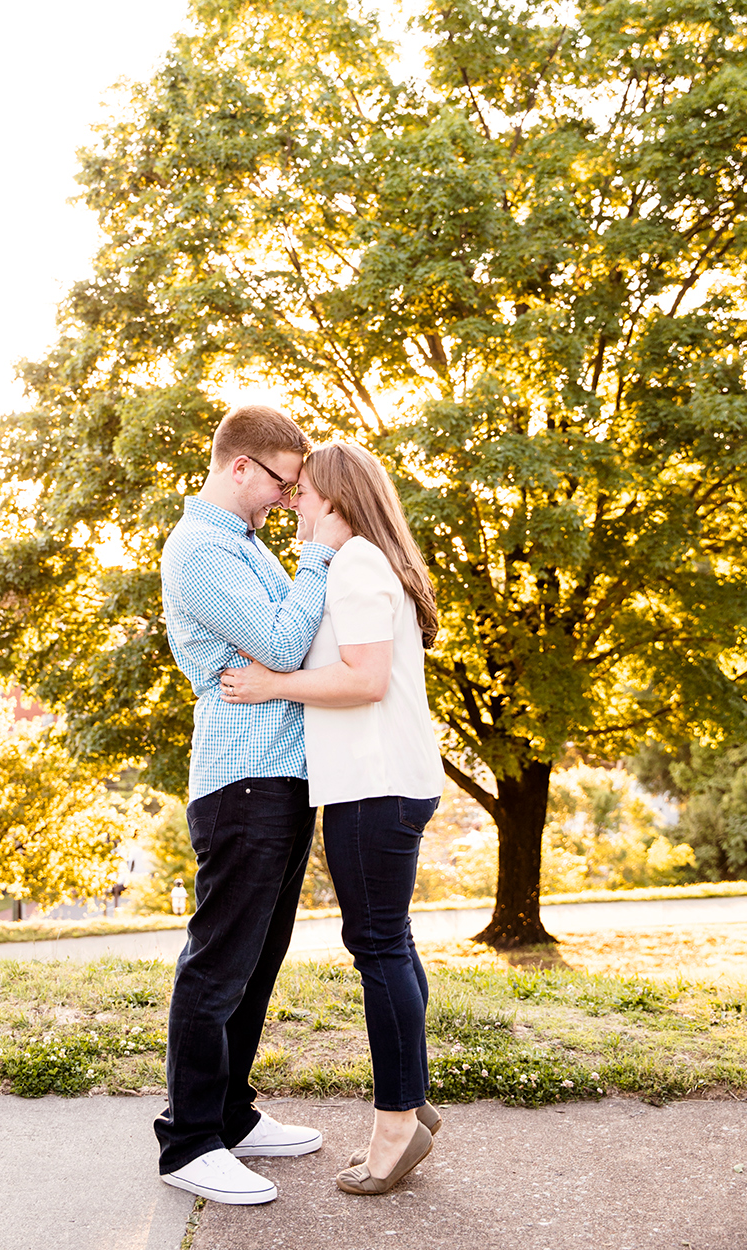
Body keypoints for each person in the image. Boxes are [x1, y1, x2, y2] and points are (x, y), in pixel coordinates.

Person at [220, 439, 446, 1198]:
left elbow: (364, 679)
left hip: (372, 787)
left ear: (338, 499)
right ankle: (410, 1103)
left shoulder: (352, 565)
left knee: (376, 947)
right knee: (390, 943)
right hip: (385, 781)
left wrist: (270, 685)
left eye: (306, 493)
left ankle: (393, 1125)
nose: (294, 504)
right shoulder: (371, 563)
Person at [155, 405, 352, 1207]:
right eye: (280, 481)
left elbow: (288, 646)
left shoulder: (240, 547)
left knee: (255, 964)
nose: (286, 498)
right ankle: (189, 1141)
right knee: (218, 964)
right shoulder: (201, 549)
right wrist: (317, 559)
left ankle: (231, 1117)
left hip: (277, 775)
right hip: (241, 780)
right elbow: (278, 646)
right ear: (239, 467)